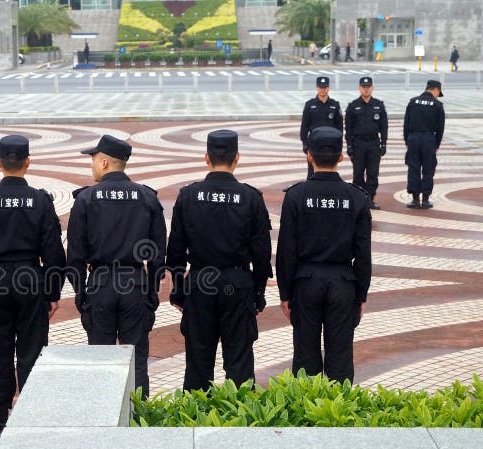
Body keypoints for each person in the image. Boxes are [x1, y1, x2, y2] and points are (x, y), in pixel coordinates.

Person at [0, 135, 66, 441]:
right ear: (27, 162)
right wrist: (52, 292)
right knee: (32, 351)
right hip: (30, 279)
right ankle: (31, 415)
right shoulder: (40, 200)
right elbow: (53, 252)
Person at [166, 130, 273, 391]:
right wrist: (258, 293)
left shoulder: (188, 196)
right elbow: (261, 254)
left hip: (200, 284)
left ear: (206, 158)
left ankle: (194, 422)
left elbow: (176, 251)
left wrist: (179, 290)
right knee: (239, 365)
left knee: (198, 365)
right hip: (238, 286)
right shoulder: (250, 198)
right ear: (237, 158)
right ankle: (239, 423)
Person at [67, 135, 166, 398]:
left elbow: (75, 255)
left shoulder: (86, 198)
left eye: (93, 160)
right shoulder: (146, 197)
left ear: (103, 163)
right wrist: (152, 291)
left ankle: (104, 417)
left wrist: (81, 293)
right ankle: (138, 418)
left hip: (100, 284)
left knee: (101, 360)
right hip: (135, 283)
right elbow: (157, 254)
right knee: (136, 360)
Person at [276, 127, 372, 384]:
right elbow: (363, 254)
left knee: (305, 355)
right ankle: (337, 413)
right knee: (340, 355)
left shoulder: (296, 196)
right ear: (342, 157)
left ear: (309, 155)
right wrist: (361, 294)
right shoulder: (357, 198)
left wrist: (285, 293)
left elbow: (286, 250)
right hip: (343, 283)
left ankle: (307, 414)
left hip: (305, 282)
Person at [345, 76, 388, 209]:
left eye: (368, 87)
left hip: (373, 143)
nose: (366, 89)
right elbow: (349, 128)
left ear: (372, 88)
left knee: (372, 174)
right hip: (358, 144)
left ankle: (370, 198)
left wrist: (384, 144)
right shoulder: (353, 106)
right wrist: (349, 146)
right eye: (364, 87)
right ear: (359, 88)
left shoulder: (379, 105)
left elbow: (384, 126)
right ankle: (359, 199)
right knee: (358, 174)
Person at [403, 80, 445, 209]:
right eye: (439, 93)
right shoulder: (437, 105)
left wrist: (407, 141)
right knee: (428, 169)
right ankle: (425, 200)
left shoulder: (413, 102)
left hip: (413, 138)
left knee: (413, 168)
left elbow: (406, 123)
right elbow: (440, 128)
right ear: (435, 90)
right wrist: (436, 144)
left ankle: (415, 199)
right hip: (429, 139)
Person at [300, 76, 343, 178]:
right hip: (314, 145)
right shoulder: (310, 105)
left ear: (328, 88)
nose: (322, 90)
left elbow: (339, 127)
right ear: (316, 88)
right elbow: (304, 127)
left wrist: (339, 145)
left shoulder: (335, 105)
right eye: (320, 87)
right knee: (312, 174)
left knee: (331, 173)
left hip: (331, 146)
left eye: (325, 87)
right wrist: (305, 145)